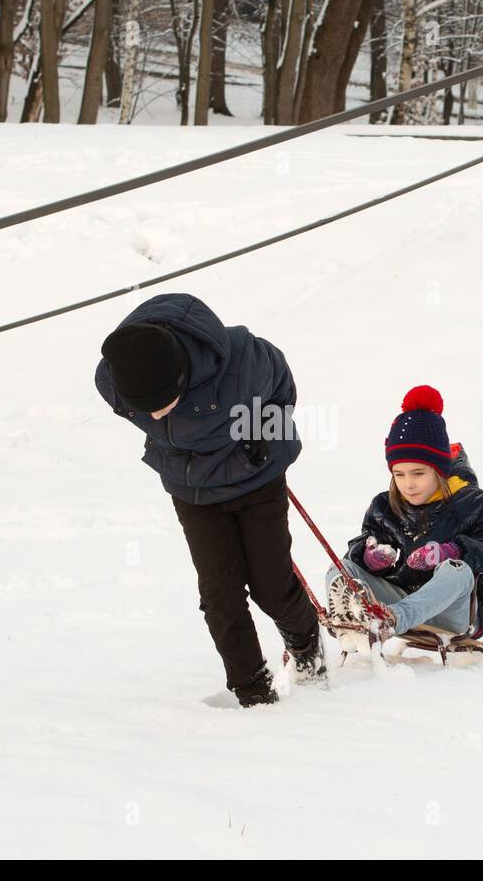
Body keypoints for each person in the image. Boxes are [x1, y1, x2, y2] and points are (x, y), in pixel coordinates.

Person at [95, 293, 325, 707]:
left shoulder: (241, 361)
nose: (158, 417)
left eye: (163, 404)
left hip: (257, 477)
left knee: (271, 587)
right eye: (146, 411)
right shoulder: (113, 379)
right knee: (220, 595)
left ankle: (307, 648)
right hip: (194, 494)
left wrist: (260, 433)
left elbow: (282, 388)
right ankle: (252, 689)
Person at [327, 385, 483, 644]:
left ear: (440, 470)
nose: (408, 484)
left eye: (418, 473)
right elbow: (361, 548)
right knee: (342, 568)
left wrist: (453, 551)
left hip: (456, 613)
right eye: (399, 474)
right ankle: (351, 622)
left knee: (457, 570)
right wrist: (368, 557)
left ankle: (391, 620)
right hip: (401, 600)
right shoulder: (384, 507)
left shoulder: (476, 504)